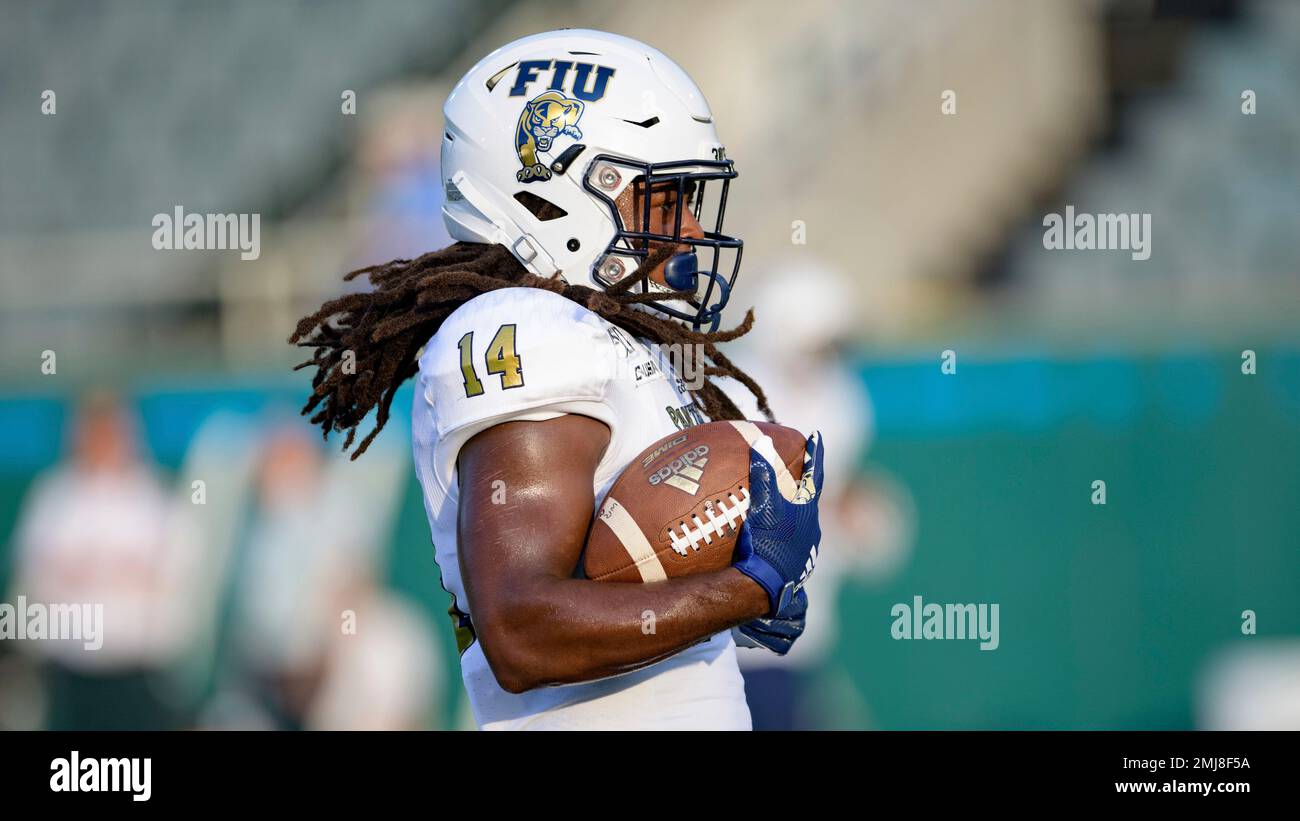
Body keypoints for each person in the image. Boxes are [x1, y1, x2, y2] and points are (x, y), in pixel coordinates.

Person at [291, 30, 825, 730]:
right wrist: (743, 588)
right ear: (554, 196)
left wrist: (713, 592)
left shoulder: (596, 336)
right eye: (665, 200)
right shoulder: (527, 329)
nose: (692, 229)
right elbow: (521, 629)